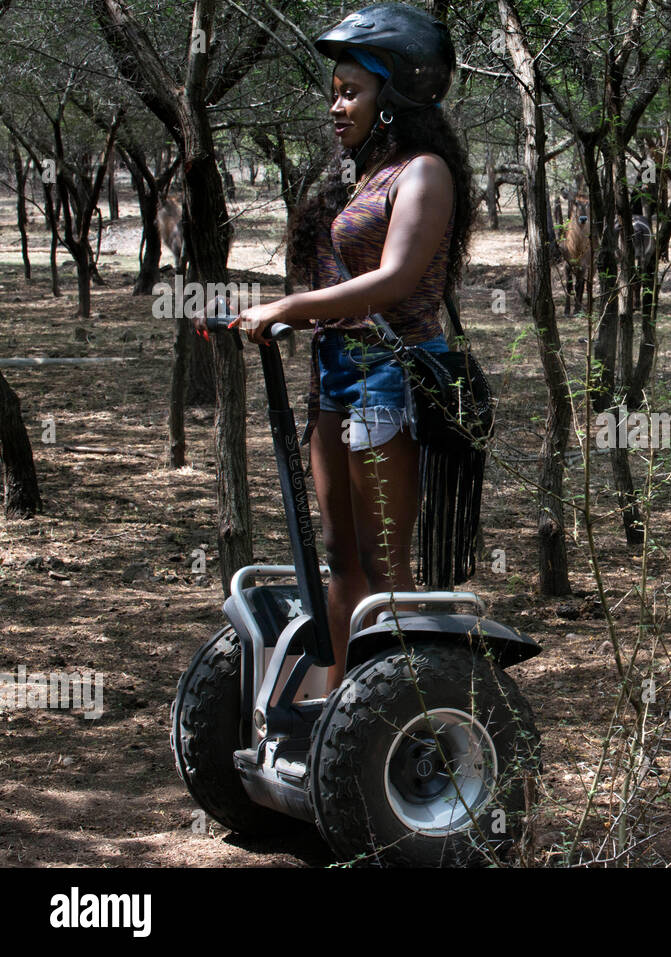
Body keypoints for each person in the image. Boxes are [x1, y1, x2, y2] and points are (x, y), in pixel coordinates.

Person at [230, 3, 474, 689]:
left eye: (351, 91)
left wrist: (291, 307)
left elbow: (392, 281)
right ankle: (337, 695)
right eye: (334, 90)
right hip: (336, 372)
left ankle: (400, 703)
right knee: (339, 552)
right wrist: (267, 314)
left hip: (392, 378)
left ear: (391, 97)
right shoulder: (357, 173)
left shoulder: (422, 173)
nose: (336, 105)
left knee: (386, 557)